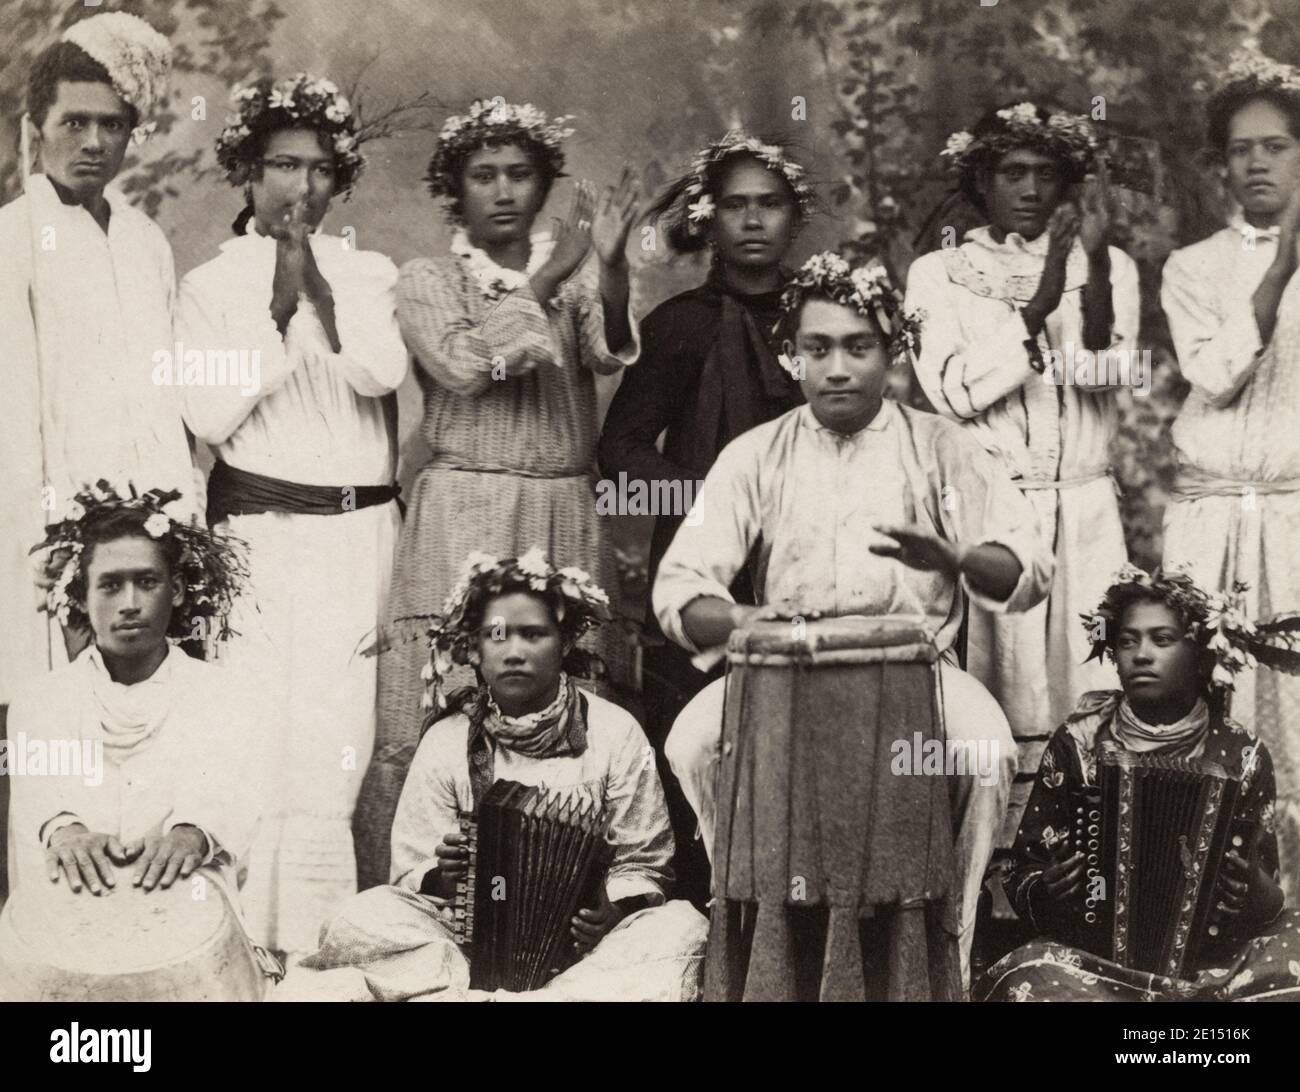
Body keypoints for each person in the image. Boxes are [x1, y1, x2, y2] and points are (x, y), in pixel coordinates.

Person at [653, 252, 1055, 985]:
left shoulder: (943, 448)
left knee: (985, 754)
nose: (837, 367)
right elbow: (680, 586)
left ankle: (944, 957)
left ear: (893, 351)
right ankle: (759, 937)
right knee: (692, 745)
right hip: (787, 675)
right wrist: (748, 618)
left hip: (915, 672)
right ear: (790, 356)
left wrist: (958, 557)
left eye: (858, 346)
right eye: (818, 348)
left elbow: (1029, 570)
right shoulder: (754, 455)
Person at [355, 99, 641, 890]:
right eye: (483, 175)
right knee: (433, 705)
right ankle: (413, 892)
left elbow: (607, 352)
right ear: (455, 189)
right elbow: (464, 366)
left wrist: (609, 266)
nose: (504, 190)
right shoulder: (427, 280)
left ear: (545, 184)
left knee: (569, 699)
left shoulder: (581, 273)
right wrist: (550, 275)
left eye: (521, 174)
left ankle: (564, 901)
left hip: (560, 505)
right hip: (460, 509)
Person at [177, 73, 408, 955]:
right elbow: (206, 415)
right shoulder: (209, 282)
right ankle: (243, 948)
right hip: (258, 539)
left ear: (337, 179)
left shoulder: (369, 270)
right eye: (280, 164)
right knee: (259, 737)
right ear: (246, 170)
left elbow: (380, 374)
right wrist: (276, 306)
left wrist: (322, 290)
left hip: (358, 538)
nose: (298, 187)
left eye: (317, 168)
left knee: (339, 743)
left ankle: (322, 949)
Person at [277, 552, 707, 1001]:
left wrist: (613, 910)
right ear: (474, 651)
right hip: (461, 944)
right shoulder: (447, 739)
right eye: (497, 636)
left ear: (564, 644)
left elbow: (646, 858)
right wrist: (443, 875)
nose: (515, 652)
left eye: (534, 635)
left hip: (586, 951)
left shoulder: (616, 732)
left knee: (683, 929)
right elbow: (410, 865)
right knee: (360, 917)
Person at [905, 103, 1141, 843]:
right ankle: (1002, 878)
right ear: (981, 178)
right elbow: (953, 390)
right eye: (1013, 171)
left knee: (1093, 685)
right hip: (997, 510)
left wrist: (1093, 268)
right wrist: (1035, 309)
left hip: (1086, 509)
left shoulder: (1106, 263)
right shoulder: (939, 273)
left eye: (1047, 173)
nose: (1031, 188)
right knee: (1003, 701)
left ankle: (1093, 870)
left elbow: (1105, 373)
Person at [597, 130, 811, 904]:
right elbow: (619, 446)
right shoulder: (680, 324)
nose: (753, 222)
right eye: (735, 205)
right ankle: (701, 928)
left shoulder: (824, 320)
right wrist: (707, 500)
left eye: (771, 205)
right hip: (701, 571)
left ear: (795, 217)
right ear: (708, 218)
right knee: (698, 758)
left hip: (809, 560)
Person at [978, 564, 1300, 1002]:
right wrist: (1049, 888)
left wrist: (1253, 888)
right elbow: (1021, 873)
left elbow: (1267, 900)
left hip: (1214, 966)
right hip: (1094, 965)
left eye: (1161, 640)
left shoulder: (1243, 755)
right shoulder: (1078, 744)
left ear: (1202, 655)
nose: (1141, 654)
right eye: (1127, 641)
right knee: (1024, 983)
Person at [0, 482, 268, 995]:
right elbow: (43, 805)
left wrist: (191, 835)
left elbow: (230, 802)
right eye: (109, 585)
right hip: (73, 918)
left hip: (185, 923)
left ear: (179, 590)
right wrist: (67, 831)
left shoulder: (225, 695)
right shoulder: (42, 700)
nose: (129, 603)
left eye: (147, 582)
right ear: (79, 595)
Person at [0, 12, 195, 710]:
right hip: (55, 522)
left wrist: (179, 517)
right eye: (73, 123)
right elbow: (14, 412)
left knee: (151, 715)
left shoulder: (146, 242)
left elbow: (163, 396)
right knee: (55, 709)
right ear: (37, 127)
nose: (92, 142)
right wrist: (43, 540)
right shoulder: (14, 239)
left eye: (110, 125)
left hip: (148, 515)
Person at [1161, 50, 1300, 904]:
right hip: (1211, 525)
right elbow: (1213, 373)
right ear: (1221, 164)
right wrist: (1279, 273)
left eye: (1277, 146)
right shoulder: (1194, 267)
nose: (1257, 162)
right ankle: (1202, 907)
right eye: (1242, 149)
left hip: (1295, 518)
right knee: (1209, 711)